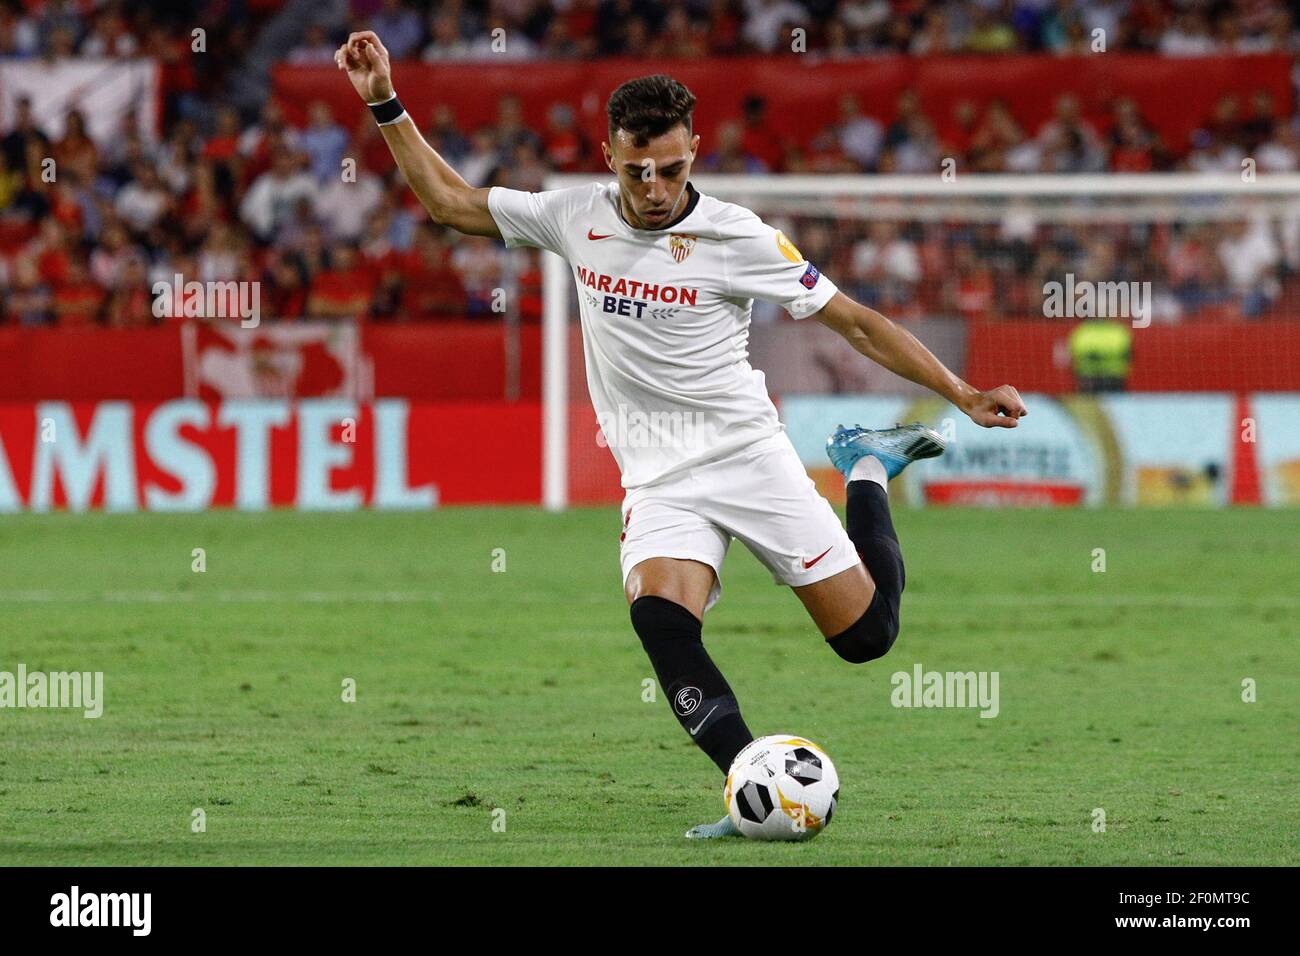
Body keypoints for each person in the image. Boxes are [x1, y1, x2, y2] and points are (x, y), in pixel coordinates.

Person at [335, 31, 1028, 838]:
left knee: (869, 639)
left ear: (694, 151)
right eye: (636, 171)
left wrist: (961, 392)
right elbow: (451, 204)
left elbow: (856, 323)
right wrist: (384, 99)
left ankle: (867, 467)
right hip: (660, 479)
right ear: (608, 156)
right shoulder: (573, 215)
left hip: (748, 455)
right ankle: (747, 782)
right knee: (662, 620)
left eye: (671, 168)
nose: (655, 187)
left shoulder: (739, 237)